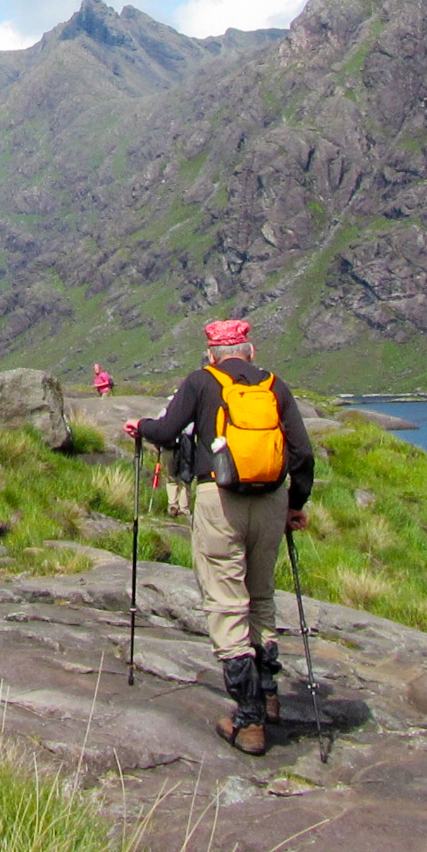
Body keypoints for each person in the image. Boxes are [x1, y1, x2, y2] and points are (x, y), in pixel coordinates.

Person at [122, 318, 314, 756]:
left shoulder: (200, 382)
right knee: (261, 596)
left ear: (211, 353)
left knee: (227, 601)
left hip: (218, 500)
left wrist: (141, 426)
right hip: (271, 502)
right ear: (250, 350)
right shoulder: (274, 386)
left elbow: (169, 432)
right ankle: (268, 694)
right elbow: (302, 453)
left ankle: (248, 720)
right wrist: (295, 504)